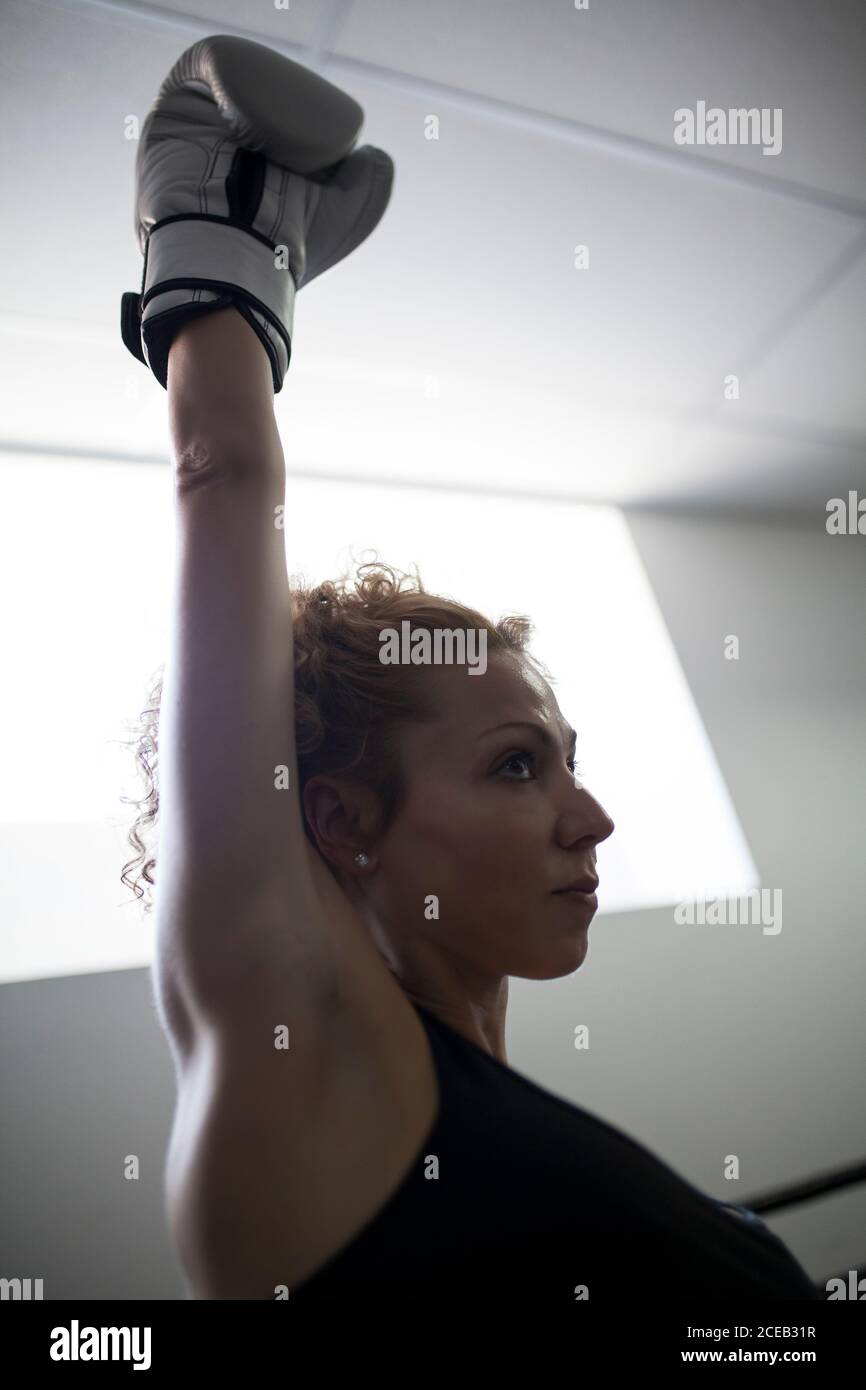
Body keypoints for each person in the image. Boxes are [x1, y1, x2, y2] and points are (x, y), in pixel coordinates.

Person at [120, 35, 820, 1308]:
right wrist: (211, 245)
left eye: (562, 761)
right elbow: (222, 476)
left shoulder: (466, 1109)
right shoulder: (306, 1066)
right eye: (514, 765)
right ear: (336, 818)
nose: (593, 816)